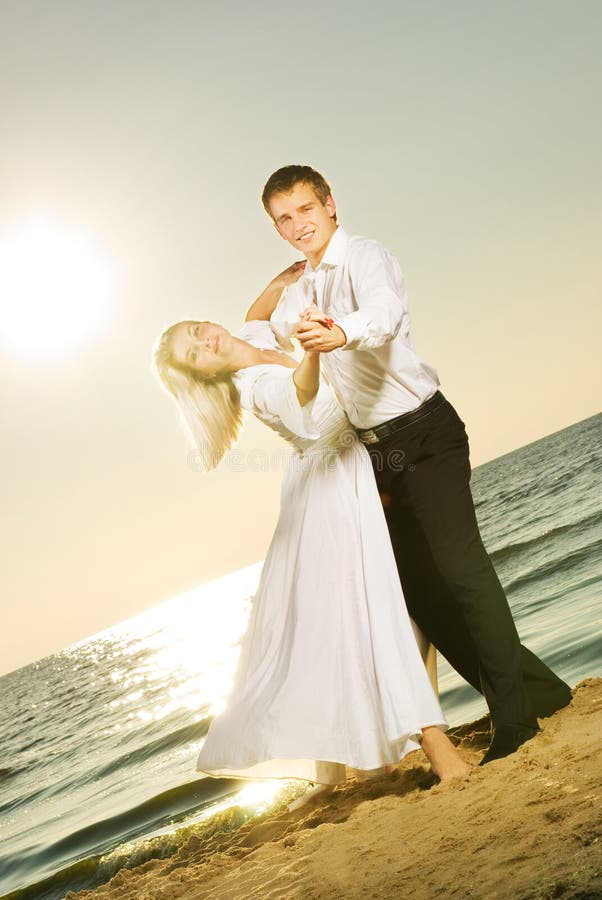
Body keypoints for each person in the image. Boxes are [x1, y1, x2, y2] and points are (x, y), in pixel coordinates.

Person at [260, 164, 572, 765]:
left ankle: (516, 720)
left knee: (463, 573)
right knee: (420, 595)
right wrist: (279, 283)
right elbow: (255, 324)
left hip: (426, 434)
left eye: (305, 209)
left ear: (330, 204)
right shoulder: (300, 290)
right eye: (284, 219)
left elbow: (383, 315)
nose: (297, 225)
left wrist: (338, 333)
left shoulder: (366, 256)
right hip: (376, 457)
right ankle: (542, 691)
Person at [151, 290, 472, 802]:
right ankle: (439, 752)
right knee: (376, 616)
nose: (204, 342)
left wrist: (283, 280)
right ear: (205, 376)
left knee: (406, 612)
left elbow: (255, 315)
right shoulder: (253, 386)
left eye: (196, 331)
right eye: (195, 355)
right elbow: (301, 392)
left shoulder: (253, 336)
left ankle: (387, 750)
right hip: (332, 493)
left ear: (207, 321)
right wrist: (312, 349)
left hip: (351, 473)